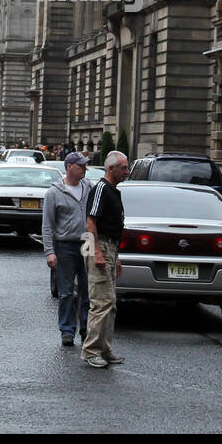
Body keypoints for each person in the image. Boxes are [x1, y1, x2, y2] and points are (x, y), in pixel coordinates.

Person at [82, 150, 128, 368]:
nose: (127, 172)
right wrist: (97, 252)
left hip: (109, 248)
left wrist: (115, 257)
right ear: (111, 169)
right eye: (124, 168)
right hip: (98, 246)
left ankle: (104, 349)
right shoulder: (101, 188)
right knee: (101, 302)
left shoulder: (113, 191)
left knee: (110, 303)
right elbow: (90, 223)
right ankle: (91, 351)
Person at [42, 151, 92, 346]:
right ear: (69, 167)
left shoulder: (89, 187)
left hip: (88, 242)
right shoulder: (54, 192)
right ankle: (67, 330)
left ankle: (86, 329)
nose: (85, 168)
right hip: (65, 246)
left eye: (85, 165)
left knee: (88, 289)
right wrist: (49, 252)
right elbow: (47, 225)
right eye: (81, 166)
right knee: (66, 292)